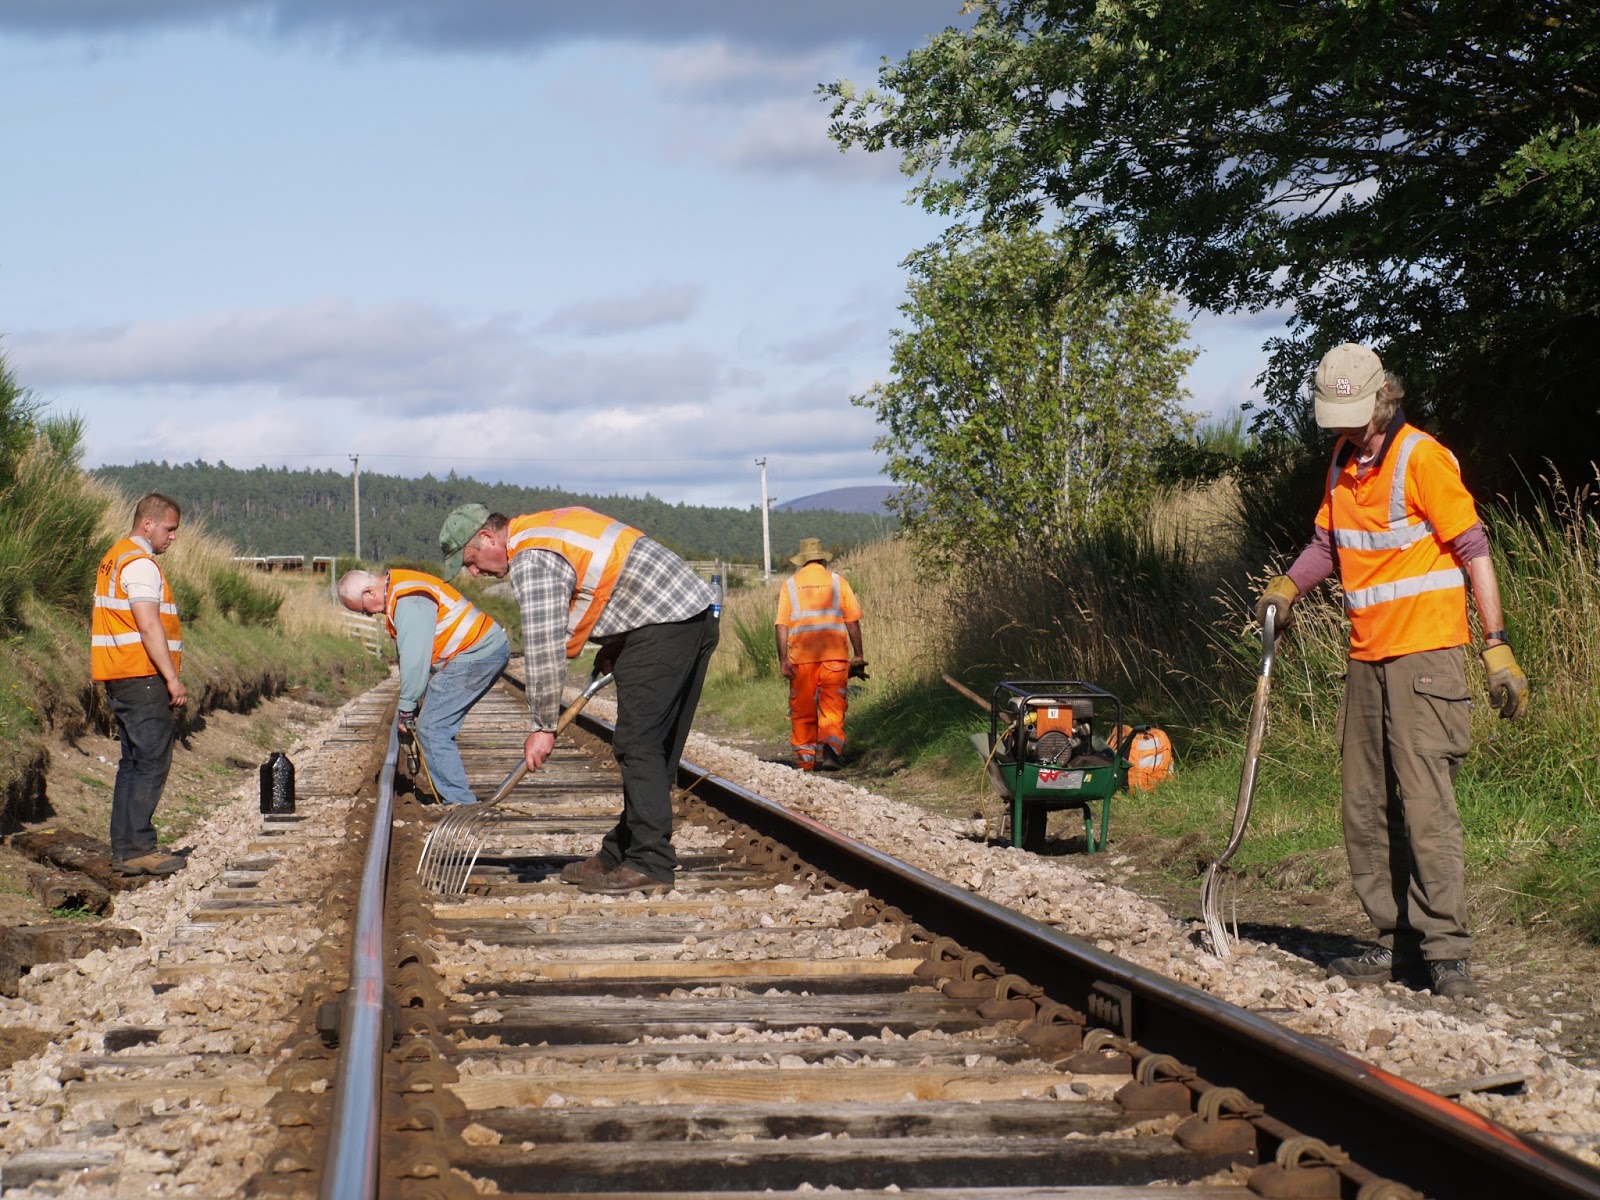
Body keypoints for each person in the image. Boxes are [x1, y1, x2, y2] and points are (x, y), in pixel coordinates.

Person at [1256, 344, 1528, 1001]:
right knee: (1366, 807)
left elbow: (1473, 548)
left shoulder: (1421, 458)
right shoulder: (1342, 464)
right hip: (1366, 658)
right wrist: (1287, 588)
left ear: (1384, 398)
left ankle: (1447, 953)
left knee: (1427, 808)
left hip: (1427, 658)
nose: (1345, 425)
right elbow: (1329, 545)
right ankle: (1396, 943)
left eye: (1354, 412)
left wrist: (1495, 643)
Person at [439, 504, 718, 894]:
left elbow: (543, 646)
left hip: (666, 625)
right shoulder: (541, 529)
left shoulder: (531, 558)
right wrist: (619, 642)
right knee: (655, 749)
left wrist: (542, 725)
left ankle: (651, 862)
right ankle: (621, 852)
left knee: (638, 745)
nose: (474, 572)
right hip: (691, 618)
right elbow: (610, 581)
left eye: (470, 561)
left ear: (487, 538)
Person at [337, 567, 509, 804]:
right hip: (473, 653)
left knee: (432, 727)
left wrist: (407, 707)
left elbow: (415, 658)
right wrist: (411, 703)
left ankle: (461, 804)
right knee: (436, 723)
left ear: (368, 592)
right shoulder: (402, 591)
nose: (369, 616)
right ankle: (456, 796)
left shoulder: (409, 599)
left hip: (476, 654)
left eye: (364, 611)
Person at [91, 493, 189, 877]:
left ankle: (126, 848)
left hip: (120, 675)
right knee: (150, 760)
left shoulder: (113, 557)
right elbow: (148, 625)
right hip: (142, 676)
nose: (173, 537)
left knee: (131, 763)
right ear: (148, 524)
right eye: (169, 528)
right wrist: (171, 678)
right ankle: (138, 850)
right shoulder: (140, 564)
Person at [775, 537, 865, 771]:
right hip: (834, 657)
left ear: (802, 561)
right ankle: (831, 754)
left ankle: (805, 760)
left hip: (801, 659)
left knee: (802, 709)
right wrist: (858, 655)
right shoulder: (838, 582)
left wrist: (783, 660)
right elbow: (852, 621)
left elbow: (781, 625)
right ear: (822, 560)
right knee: (832, 707)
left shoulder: (790, 584)